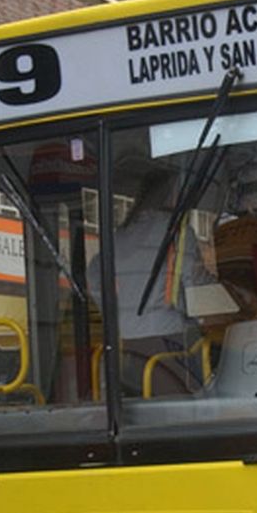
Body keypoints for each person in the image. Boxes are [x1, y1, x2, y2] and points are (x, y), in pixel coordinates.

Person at [90, 169, 216, 395]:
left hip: (125, 347)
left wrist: (119, 313)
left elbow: (94, 278)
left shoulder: (119, 236)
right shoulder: (177, 233)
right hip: (170, 344)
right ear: (174, 195)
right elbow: (198, 292)